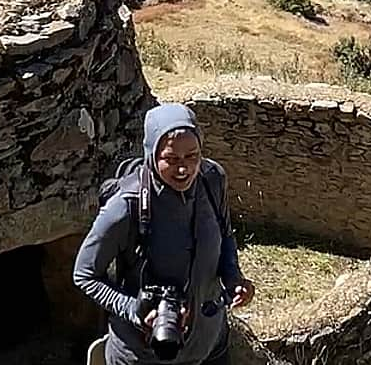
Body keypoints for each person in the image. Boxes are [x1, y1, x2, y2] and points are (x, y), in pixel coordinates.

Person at [73, 104, 256, 365]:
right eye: (171, 159)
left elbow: (225, 234)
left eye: (192, 156)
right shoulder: (126, 206)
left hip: (208, 343)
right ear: (151, 153)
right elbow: (85, 275)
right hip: (143, 354)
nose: (184, 169)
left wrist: (233, 277)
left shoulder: (212, 179)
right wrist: (134, 309)